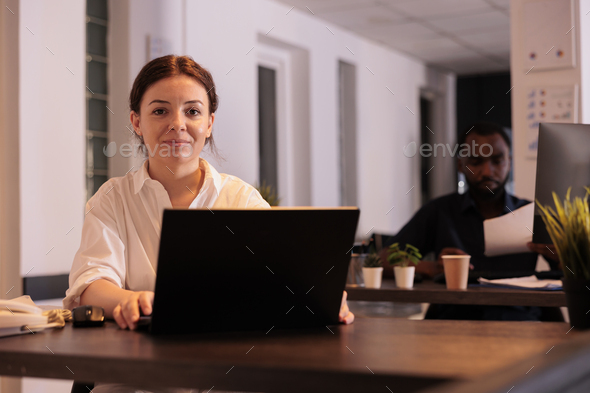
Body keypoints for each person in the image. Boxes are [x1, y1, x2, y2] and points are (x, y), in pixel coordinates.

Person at [64, 56, 353, 331]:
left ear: (209, 123)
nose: (178, 124)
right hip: (136, 375)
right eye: (160, 110)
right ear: (137, 122)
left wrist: (318, 293)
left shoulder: (241, 199)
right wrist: (126, 300)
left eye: (192, 111)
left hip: (229, 369)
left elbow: (282, 274)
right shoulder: (113, 199)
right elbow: (90, 283)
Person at [383, 121, 560, 320]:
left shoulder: (532, 213)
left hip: (519, 322)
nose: (487, 171)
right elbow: (382, 259)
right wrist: (431, 268)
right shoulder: (439, 211)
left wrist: (560, 256)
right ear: (461, 165)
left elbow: (575, 274)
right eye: (476, 162)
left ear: (509, 162)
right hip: (453, 324)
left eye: (497, 160)